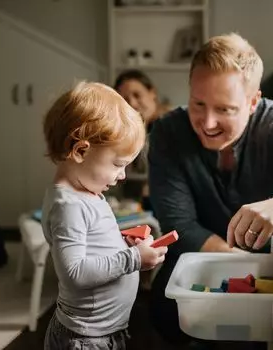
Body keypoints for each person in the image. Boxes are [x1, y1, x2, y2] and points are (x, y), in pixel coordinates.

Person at [147, 33, 273, 347]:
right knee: (165, 311)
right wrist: (235, 263)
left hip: (266, 259)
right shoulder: (167, 132)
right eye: (198, 104)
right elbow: (178, 224)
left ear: (253, 102)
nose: (207, 122)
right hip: (196, 256)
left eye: (225, 109)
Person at [41, 81, 168, 350]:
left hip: (103, 332)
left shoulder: (86, 192)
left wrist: (122, 243)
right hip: (86, 339)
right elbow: (74, 272)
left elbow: (92, 246)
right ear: (81, 151)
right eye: (117, 164)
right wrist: (133, 258)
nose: (122, 175)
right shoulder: (69, 206)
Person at [114, 70, 171, 212]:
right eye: (125, 99)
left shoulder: (172, 126)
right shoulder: (127, 131)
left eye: (137, 95)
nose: (132, 103)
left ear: (152, 92)